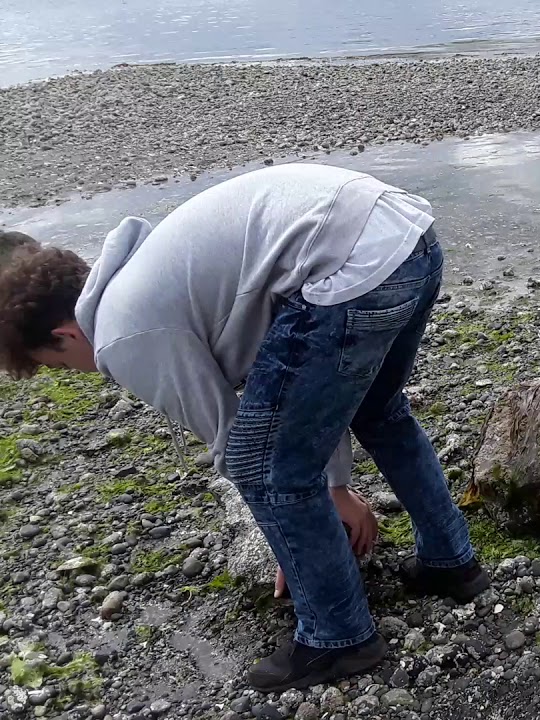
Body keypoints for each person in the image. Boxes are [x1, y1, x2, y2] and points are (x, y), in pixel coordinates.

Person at [0, 163, 490, 692]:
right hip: (406, 235)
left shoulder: (121, 335)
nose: (77, 374)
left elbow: (239, 443)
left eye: (53, 365)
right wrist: (320, 511)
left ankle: (338, 635)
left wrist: (312, 528)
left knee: (266, 468)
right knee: (379, 412)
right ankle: (450, 562)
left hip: (350, 267)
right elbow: (296, 390)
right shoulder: (145, 273)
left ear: (62, 336)